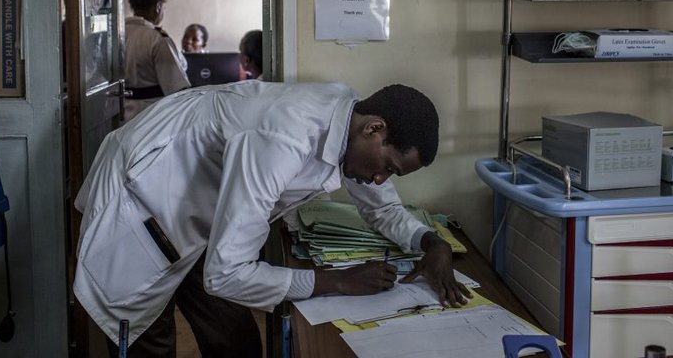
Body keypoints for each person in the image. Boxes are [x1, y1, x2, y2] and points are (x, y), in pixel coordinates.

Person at [73, 81, 471, 357]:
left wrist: (432, 243)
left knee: (237, 344)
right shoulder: (283, 140)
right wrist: (336, 282)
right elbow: (225, 275)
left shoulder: (350, 117)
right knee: (149, 342)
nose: (380, 180)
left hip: (203, 215)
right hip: (142, 202)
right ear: (375, 129)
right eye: (386, 167)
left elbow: (381, 207)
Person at [124, 0, 190, 119]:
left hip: (121, 113)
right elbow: (177, 87)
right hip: (152, 116)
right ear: (158, 6)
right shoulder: (156, 38)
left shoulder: (118, 34)